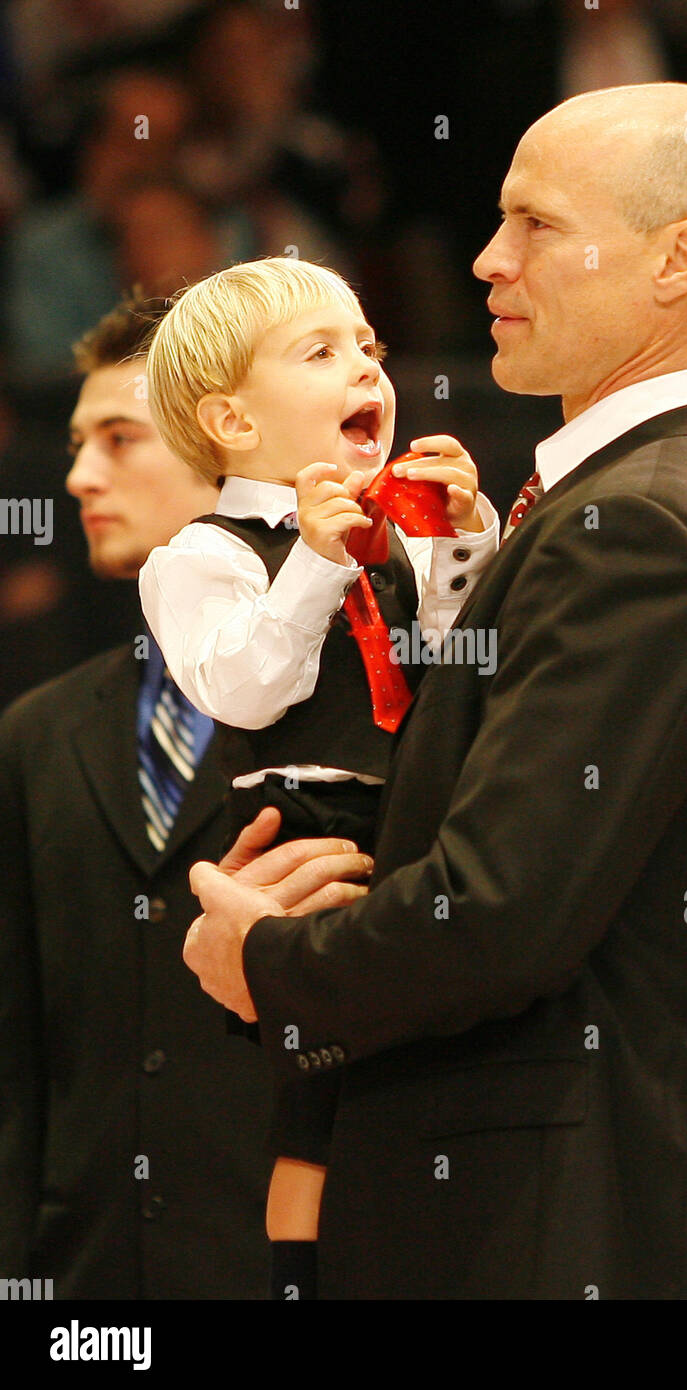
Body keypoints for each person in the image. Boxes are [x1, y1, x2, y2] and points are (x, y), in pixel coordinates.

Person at [184, 83, 687, 1299]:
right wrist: (336, 853)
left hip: (577, 1230)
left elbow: (501, 914)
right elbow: (544, 856)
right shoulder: (656, 498)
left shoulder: (640, 518)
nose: (486, 260)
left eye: (533, 224)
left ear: (679, 259)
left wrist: (267, 958)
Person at [138, 255, 498, 1297]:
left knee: (419, 1077)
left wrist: (467, 541)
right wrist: (318, 560)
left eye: (371, 350)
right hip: (305, 828)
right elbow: (241, 686)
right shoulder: (202, 552)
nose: (365, 372)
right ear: (233, 422)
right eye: (322, 352)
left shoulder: (388, 533)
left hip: (422, 814)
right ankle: (302, 1276)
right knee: (321, 1086)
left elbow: (460, 666)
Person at [0, 295, 366, 1299]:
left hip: (309, 1262)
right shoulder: (35, 733)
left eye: (118, 438)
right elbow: (18, 1064)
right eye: (78, 442)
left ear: (225, 435)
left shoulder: (376, 702)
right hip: (84, 1284)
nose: (79, 474)